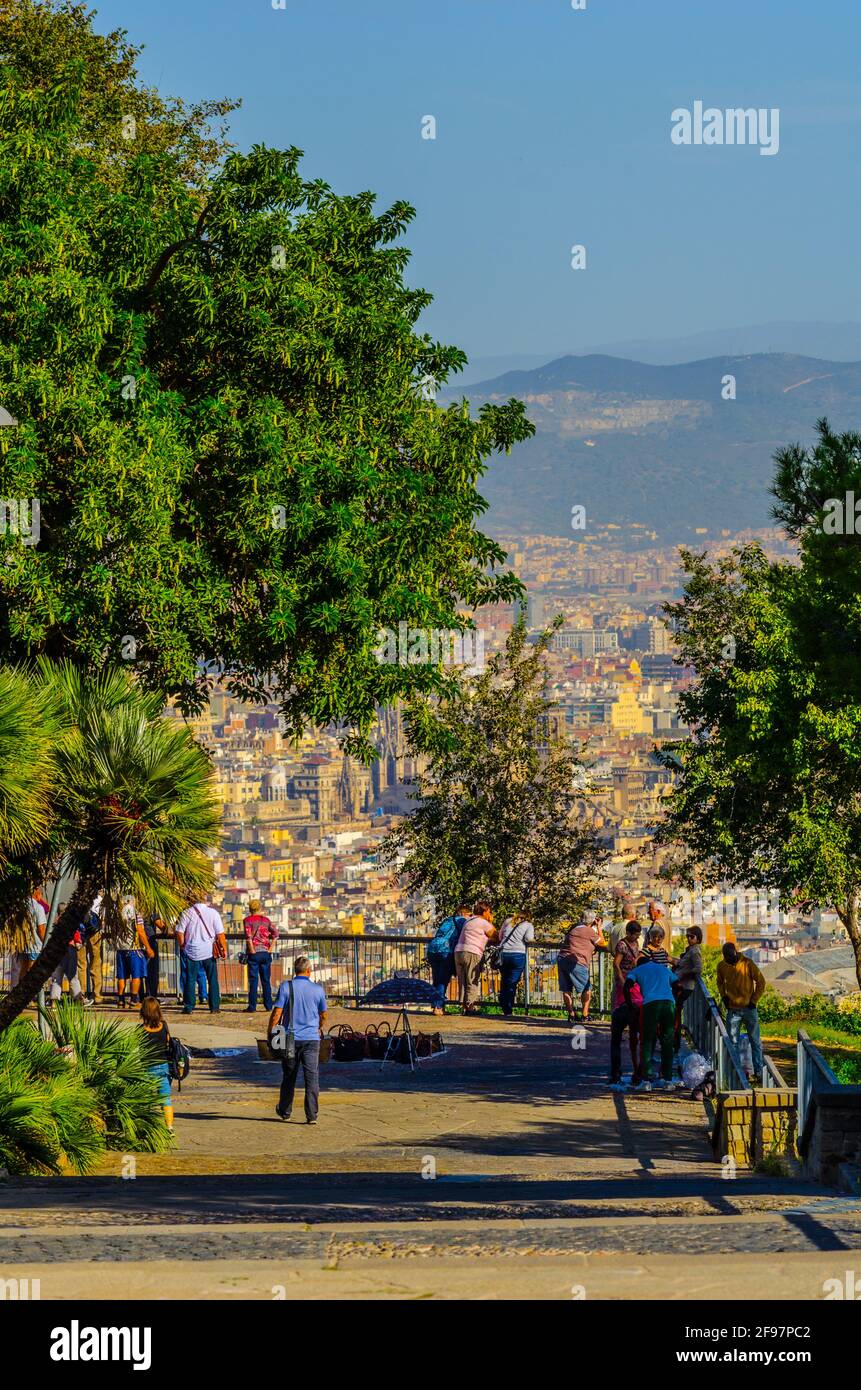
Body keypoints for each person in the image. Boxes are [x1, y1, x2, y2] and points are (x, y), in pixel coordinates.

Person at [268, 957, 328, 1124]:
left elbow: (277, 1013)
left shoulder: (286, 987)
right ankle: (311, 1115)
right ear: (309, 971)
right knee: (312, 1077)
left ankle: (285, 1110)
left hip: (290, 1038)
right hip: (311, 1039)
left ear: (295, 970)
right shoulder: (318, 989)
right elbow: (324, 1015)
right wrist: (318, 1026)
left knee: (289, 1076)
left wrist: (271, 1032)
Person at [625, 948, 680, 1092]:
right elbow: (678, 985)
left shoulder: (636, 971)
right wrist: (676, 1002)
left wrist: (630, 1005)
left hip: (650, 1005)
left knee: (647, 1041)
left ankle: (647, 1080)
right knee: (667, 1041)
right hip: (669, 1004)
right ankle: (667, 1080)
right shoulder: (663, 968)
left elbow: (627, 986)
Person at [716, 942, 766, 1084]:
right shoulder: (722, 966)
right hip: (733, 1009)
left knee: (755, 1041)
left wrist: (754, 1000)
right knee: (733, 1042)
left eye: (731, 958)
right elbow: (719, 982)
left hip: (749, 1008)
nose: (729, 961)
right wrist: (724, 996)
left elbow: (761, 982)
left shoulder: (748, 964)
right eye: (726, 958)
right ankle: (736, 1072)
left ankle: (758, 1072)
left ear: (735, 953)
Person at [175, 899, 226, 1014]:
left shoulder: (186, 913)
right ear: (205, 901)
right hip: (209, 952)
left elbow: (179, 932)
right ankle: (214, 1007)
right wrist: (224, 949)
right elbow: (220, 934)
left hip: (192, 951)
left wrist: (183, 946)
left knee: (190, 980)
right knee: (212, 979)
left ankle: (189, 1006)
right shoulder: (213, 913)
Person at [610, 919, 643, 1087]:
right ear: (629, 933)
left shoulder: (636, 943)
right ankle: (616, 1072)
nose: (637, 937)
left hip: (633, 980)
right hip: (624, 981)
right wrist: (622, 980)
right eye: (635, 934)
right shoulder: (622, 945)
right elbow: (616, 963)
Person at [557, 915, 607, 1023]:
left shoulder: (575, 928)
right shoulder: (588, 931)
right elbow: (602, 942)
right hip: (577, 962)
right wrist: (598, 927)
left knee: (566, 989)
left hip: (562, 959)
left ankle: (571, 1015)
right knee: (586, 988)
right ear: (593, 920)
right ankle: (585, 1015)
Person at [138, 997, 174, 1133]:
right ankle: (169, 1127)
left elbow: (138, 1048)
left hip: (147, 1067)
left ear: (143, 1012)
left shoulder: (141, 1029)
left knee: (145, 1098)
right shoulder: (163, 1025)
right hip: (163, 1066)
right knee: (165, 1098)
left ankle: (145, 1126)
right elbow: (168, 1042)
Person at [453, 901, 496, 1014]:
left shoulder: (469, 920)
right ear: (485, 912)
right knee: (472, 979)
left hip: (458, 951)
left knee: (463, 980)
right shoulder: (483, 923)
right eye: (489, 912)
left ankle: (463, 1006)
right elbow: (496, 937)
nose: (490, 914)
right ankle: (470, 1007)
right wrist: (491, 922)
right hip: (472, 952)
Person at [426, 904, 470, 1015]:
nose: (470, 917)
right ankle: (438, 1007)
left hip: (432, 949)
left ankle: (436, 1005)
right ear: (463, 913)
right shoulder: (462, 921)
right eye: (469, 915)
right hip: (446, 950)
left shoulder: (448, 920)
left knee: (436, 979)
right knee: (443, 980)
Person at [242, 900, 278, 1013]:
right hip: (265, 953)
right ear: (259, 908)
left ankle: (252, 1006)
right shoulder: (266, 920)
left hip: (254, 953)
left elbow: (248, 937)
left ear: (250, 909)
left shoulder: (247, 921)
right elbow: (276, 934)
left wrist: (252, 949)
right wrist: (270, 948)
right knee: (266, 980)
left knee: (253, 980)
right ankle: (268, 1005)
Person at [497, 912, 535, 1017]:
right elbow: (528, 938)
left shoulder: (507, 921)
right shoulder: (528, 925)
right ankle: (508, 1008)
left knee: (504, 980)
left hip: (503, 954)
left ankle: (504, 1004)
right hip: (518, 955)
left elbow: (500, 937)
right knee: (512, 982)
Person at [49, 913, 92, 1006]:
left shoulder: (55, 923)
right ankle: (78, 999)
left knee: (56, 978)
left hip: (56, 950)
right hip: (68, 950)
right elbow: (76, 936)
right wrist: (79, 944)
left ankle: (54, 1001)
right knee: (73, 976)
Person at [116, 904, 152, 1010]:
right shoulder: (136, 914)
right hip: (134, 948)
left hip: (120, 948)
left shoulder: (118, 914)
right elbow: (140, 931)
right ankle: (133, 1000)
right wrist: (148, 948)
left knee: (122, 976)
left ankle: (121, 1000)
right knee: (136, 975)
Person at [673, 925, 703, 1049]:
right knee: (675, 1012)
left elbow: (698, 968)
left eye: (692, 936)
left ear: (698, 938)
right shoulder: (690, 950)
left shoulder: (695, 951)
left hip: (684, 986)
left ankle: (675, 1042)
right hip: (680, 984)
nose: (689, 939)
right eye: (687, 936)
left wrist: (685, 974)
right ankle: (675, 1040)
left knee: (676, 1013)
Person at [11, 895, 47, 988]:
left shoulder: (20, 907)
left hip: (23, 945)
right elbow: (41, 929)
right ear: (37, 893)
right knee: (33, 972)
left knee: (23, 970)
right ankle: (30, 996)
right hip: (35, 945)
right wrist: (46, 943)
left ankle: (20, 993)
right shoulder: (38, 908)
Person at [76, 904, 104, 1003]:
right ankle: (97, 995)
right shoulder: (99, 900)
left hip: (80, 934)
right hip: (94, 932)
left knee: (81, 965)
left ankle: (81, 994)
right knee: (96, 964)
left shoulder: (77, 903)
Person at [141, 916, 168, 1000]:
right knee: (152, 972)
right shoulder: (150, 911)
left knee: (139, 973)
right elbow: (161, 926)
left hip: (138, 944)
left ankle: (140, 997)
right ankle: (151, 997)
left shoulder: (135, 910)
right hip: (150, 943)